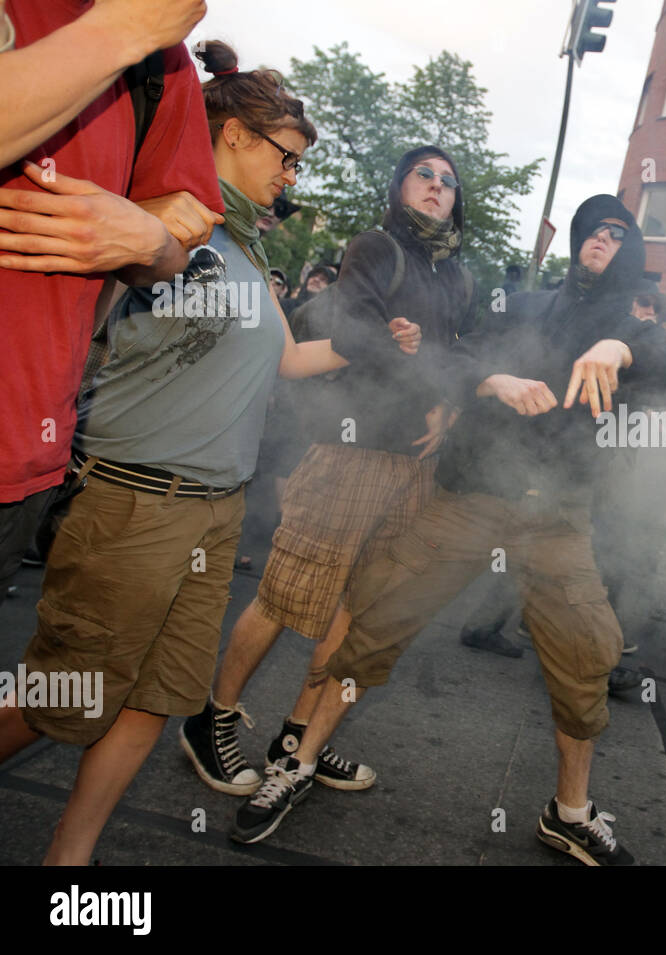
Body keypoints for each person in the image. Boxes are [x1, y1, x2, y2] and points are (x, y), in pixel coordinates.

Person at [228, 195, 666, 864]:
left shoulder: (635, 327)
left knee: (586, 656)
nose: (601, 240)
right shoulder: (524, 306)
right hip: (471, 494)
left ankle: (570, 813)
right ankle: (297, 764)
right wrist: (493, 379)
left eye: (618, 234)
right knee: (374, 622)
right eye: (593, 230)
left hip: (556, 516)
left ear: (633, 255)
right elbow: (453, 361)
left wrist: (617, 347)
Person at [0, 40, 366, 864]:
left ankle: (69, 866)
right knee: (67, 700)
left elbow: (286, 359)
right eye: (288, 157)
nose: (293, 177)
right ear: (231, 134)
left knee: (152, 701)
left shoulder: (250, 252)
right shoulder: (154, 215)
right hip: (133, 503)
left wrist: (383, 347)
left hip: (217, 511)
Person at [181, 144, 470, 797]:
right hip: (350, 449)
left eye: (448, 181)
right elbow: (355, 329)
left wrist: (450, 404)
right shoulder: (376, 246)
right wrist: (406, 359)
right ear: (400, 186)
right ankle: (211, 718)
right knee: (284, 592)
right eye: (423, 175)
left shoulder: (460, 278)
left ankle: (299, 738)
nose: (436, 186)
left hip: (413, 469)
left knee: (355, 612)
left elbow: (465, 354)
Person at [0, 0, 221, 593]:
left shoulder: (161, 62)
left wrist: (149, 242)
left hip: (26, 460)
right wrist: (123, 28)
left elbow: (176, 255)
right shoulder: (141, 26)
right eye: (284, 156)